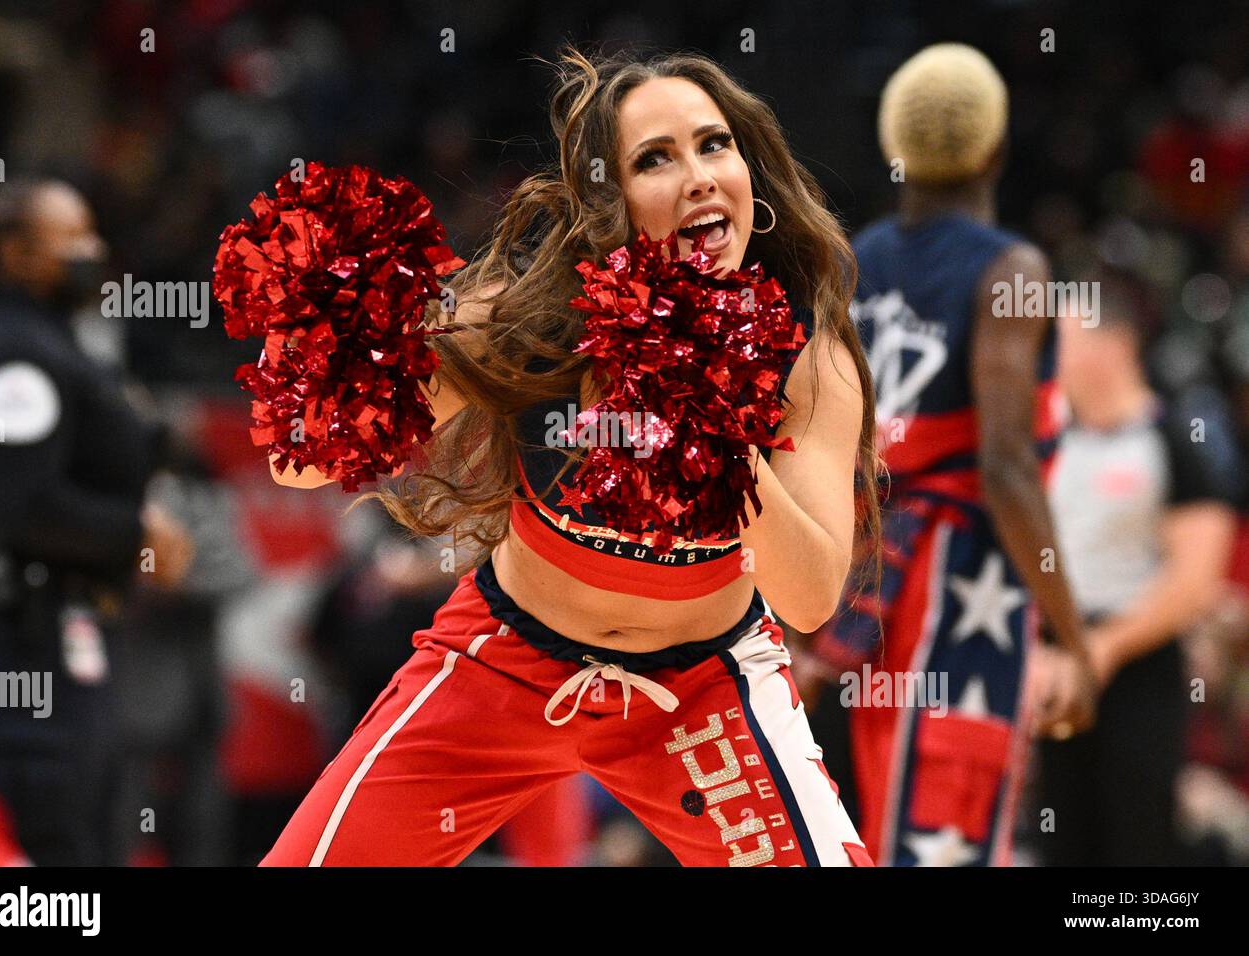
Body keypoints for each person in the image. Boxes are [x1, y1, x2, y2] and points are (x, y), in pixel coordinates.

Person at [258, 45, 881, 867]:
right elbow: (298, 458)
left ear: (751, 175)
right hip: (506, 664)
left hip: (699, 688)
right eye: (654, 159)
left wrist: (710, 424)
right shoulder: (530, 316)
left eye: (714, 144)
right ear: (608, 202)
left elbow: (807, 599)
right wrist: (315, 326)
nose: (698, 175)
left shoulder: (809, 355)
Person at [810, 44, 1095, 866]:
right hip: (962, 574)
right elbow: (1006, 468)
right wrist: (1073, 638)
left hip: (870, 571)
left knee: (897, 818)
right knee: (946, 832)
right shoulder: (1015, 267)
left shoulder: (853, 258)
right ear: (998, 150)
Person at [0, 178, 192, 865]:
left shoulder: (63, 343)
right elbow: (21, 505)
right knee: (48, 834)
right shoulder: (12, 357)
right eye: (72, 239)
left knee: (92, 829)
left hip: (73, 623)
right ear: (15, 254)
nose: (92, 251)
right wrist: (137, 535)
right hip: (17, 637)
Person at [1033, 270, 1243, 865]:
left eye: (1063, 338)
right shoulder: (1045, 441)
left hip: (1138, 668)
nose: (1050, 355)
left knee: (1138, 841)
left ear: (1115, 344)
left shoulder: (1176, 437)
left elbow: (1196, 580)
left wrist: (1104, 646)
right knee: (1058, 839)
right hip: (1055, 666)